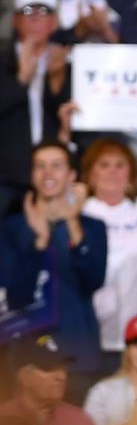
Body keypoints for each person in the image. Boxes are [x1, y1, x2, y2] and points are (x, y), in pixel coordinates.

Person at [0, 143, 109, 383]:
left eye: (56, 166)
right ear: (32, 175)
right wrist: (39, 242)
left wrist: (72, 221)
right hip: (26, 357)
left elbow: (93, 280)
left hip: (77, 354)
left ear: (71, 175)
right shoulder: (11, 228)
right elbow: (17, 294)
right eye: (40, 166)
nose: (48, 173)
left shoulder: (92, 227)